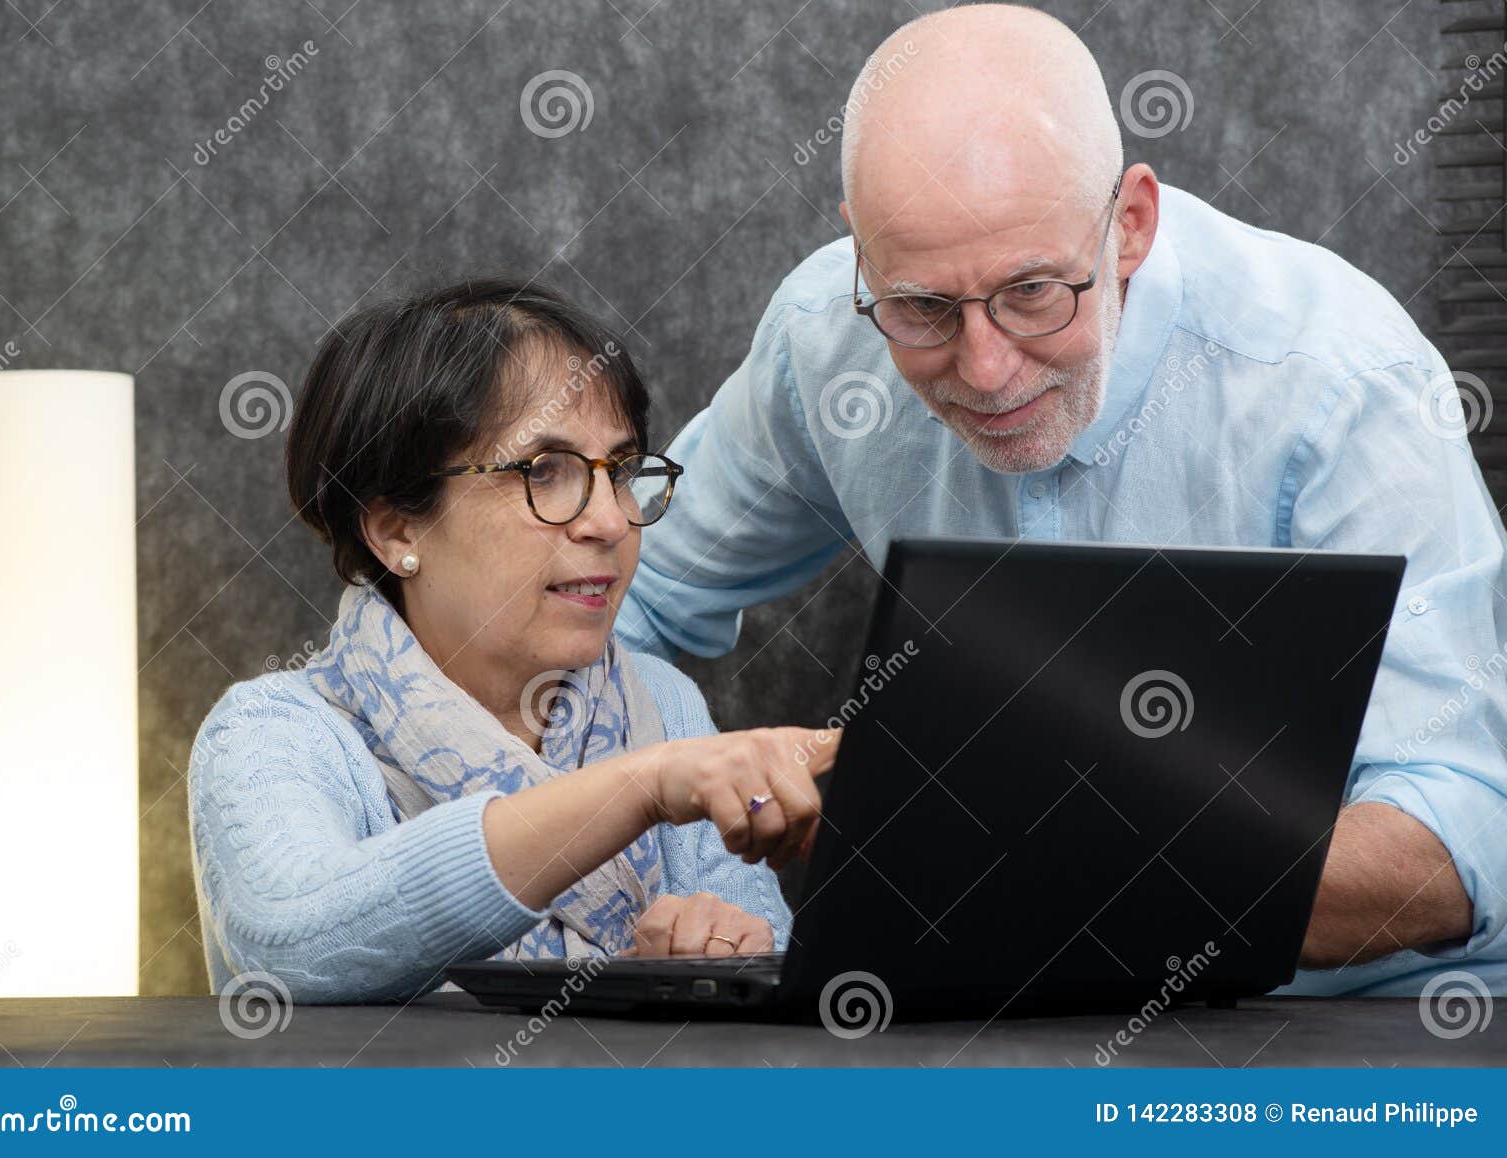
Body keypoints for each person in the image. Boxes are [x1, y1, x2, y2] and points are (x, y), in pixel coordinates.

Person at [615, 4, 1507, 995]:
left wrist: (1023, 857)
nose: (987, 372)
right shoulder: (822, 339)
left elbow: (1460, 835)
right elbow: (616, 610)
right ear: (860, 253)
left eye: (1035, 292)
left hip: (1343, 1034)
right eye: (920, 309)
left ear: (1130, 224)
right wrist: (684, 844)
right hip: (966, 1016)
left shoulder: (1340, 383)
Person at [187, 278, 837, 1003]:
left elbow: (774, 963)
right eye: (546, 473)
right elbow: (294, 949)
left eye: (619, 472)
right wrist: (641, 786)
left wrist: (705, 952)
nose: (611, 523)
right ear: (396, 529)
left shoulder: (662, 702)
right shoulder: (272, 731)